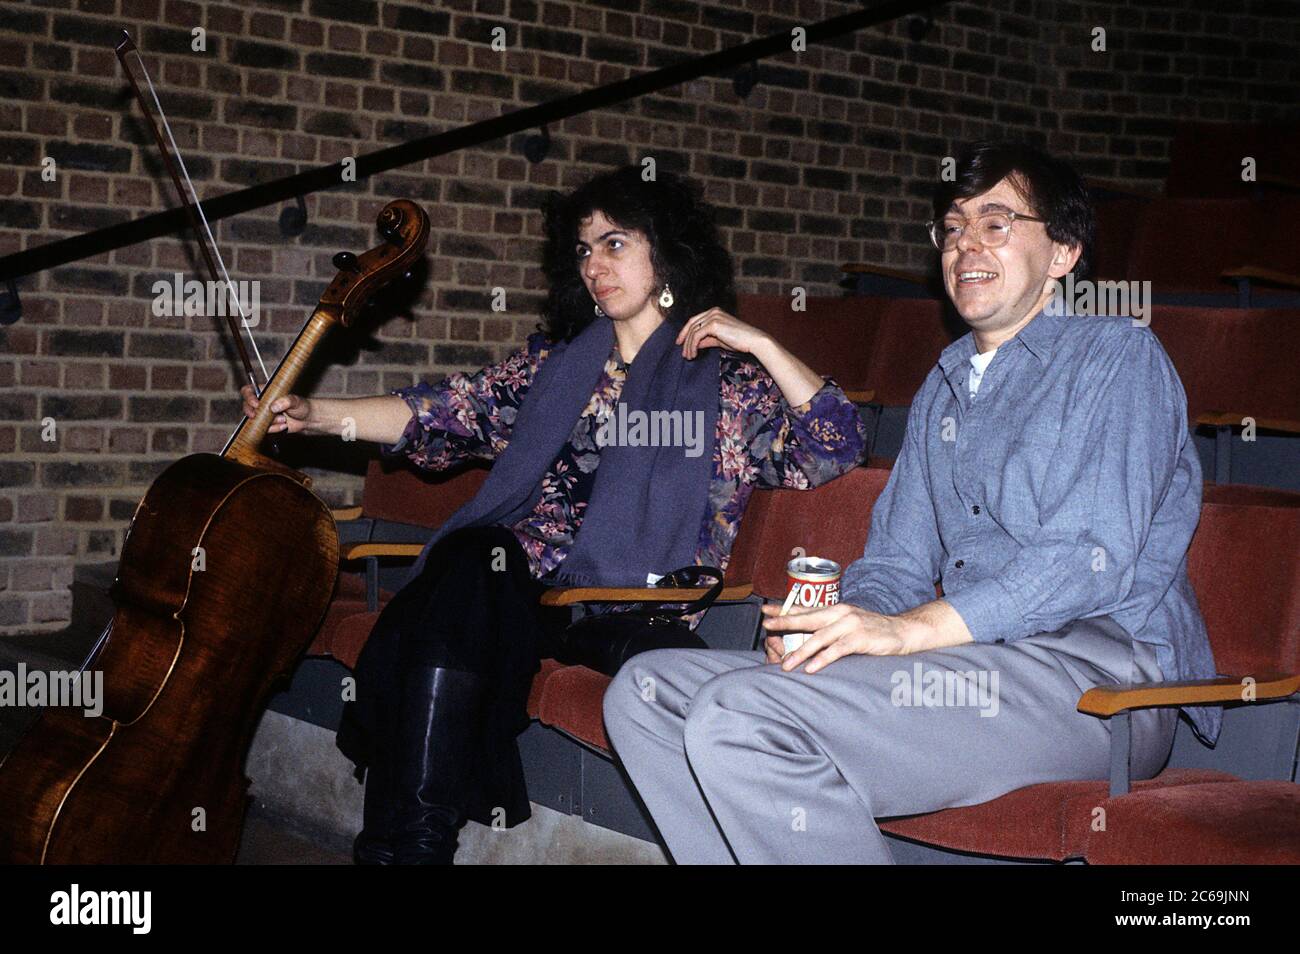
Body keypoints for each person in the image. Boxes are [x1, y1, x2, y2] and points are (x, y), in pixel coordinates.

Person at [602, 141, 1221, 864]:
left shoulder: (1118, 358)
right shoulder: (945, 386)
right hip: (974, 666)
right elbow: (896, 561)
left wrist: (907, 633)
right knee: (644, 694)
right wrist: (837, 631)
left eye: (997, 223)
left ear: (1063, 252)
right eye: (953, 227)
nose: (966, 246)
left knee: (741, 716)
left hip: (1095, 685)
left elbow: (1090, 560)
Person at [241, 165, 867, 863]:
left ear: (666, 251)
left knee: (453, 594)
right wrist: (314, 414)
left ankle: (400, 850)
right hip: (518, 590)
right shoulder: (553, 367)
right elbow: (441, 412)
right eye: (583, 250)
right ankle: (409, 852)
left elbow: (835, 445)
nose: (594, 264)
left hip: (625, 604)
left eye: (614, 244)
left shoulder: (725, 387)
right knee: (472, 558)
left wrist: (763, 343)